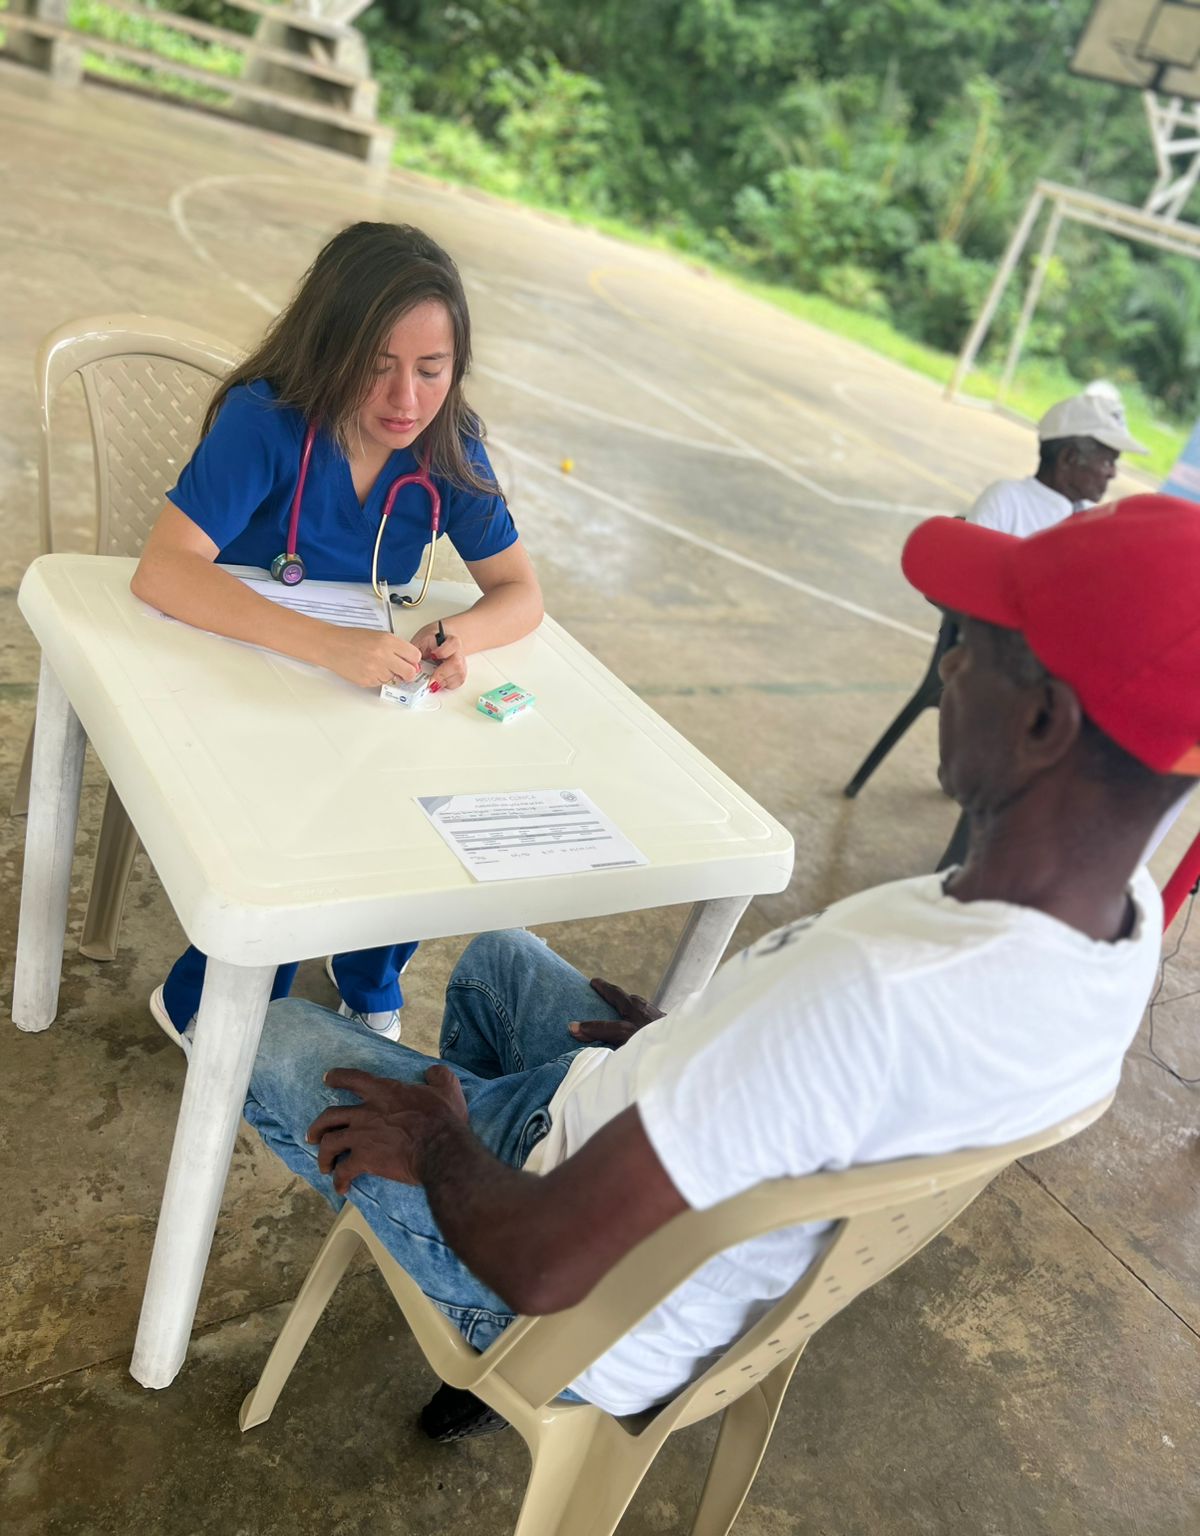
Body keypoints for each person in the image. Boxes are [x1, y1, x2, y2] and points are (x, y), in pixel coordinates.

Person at [243, 494, 1200, 1439]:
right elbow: (840, 1096)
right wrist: (699, 1049)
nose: (948, 662)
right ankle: (449, 1226)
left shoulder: (868, 992)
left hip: (573, 1300)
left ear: (1043, 724)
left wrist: (438, 1143)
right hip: (683, 1224)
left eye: (976, 647)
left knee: (258, 1031)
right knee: (499, 959)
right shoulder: (1117, 947)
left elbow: (542, 1263)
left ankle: (466, 1290)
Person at [131, 222, 542, 1052]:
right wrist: (325, 645)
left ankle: (369, 973)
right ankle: (206, 998)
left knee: (420, 807)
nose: (406, 401)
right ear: (330, 348)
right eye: (376, 367)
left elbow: (520, 594)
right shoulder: (268, 421)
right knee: (295, 817)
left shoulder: (448, 444)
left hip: (356, 684)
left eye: (432, 371)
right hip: (230, 664)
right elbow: (164, 572)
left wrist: (455, 634)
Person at [968, 389, 1147, 537]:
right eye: (1108, 462)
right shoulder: (1006, 501)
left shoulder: (1095, 519)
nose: (1113, 473)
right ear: (1068, 457)